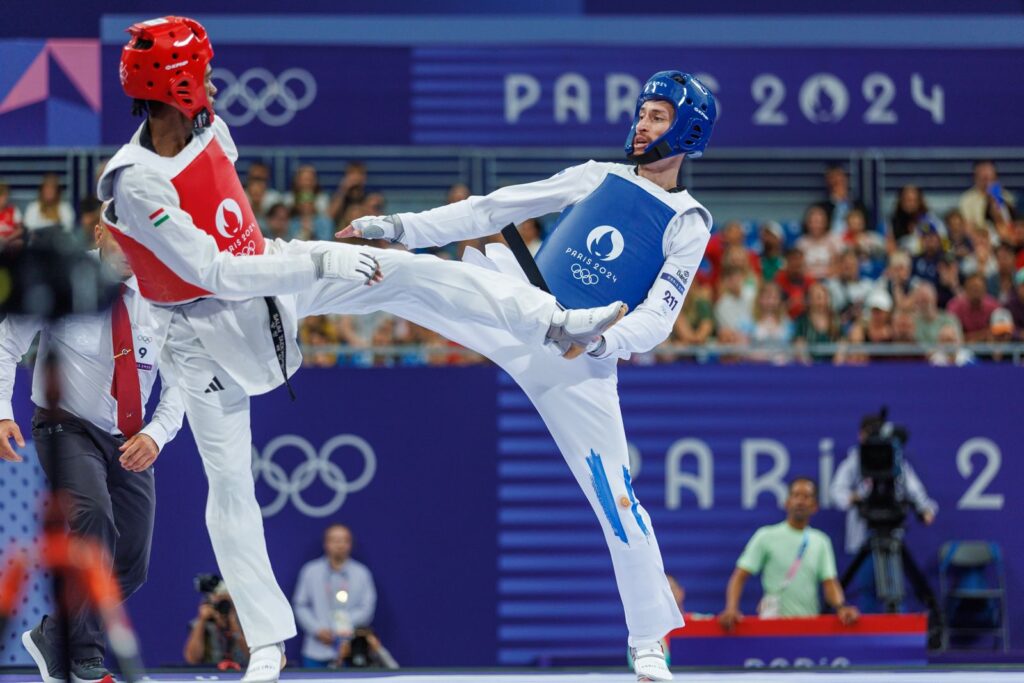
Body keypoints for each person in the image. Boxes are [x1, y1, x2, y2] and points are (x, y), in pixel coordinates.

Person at [100, 17, 621, 683]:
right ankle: (267, 643)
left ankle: (553, 321)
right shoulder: (133, 183)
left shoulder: (211, 125)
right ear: (171, 84)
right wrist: (327, 260)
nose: (208, 82)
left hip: (272, 276)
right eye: (197, 73)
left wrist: (319, 264)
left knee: (408, 272)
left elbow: (244, 248)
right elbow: (216, 274)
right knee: (229, 484)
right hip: (199, 336)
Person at [341, 70, 717, 682]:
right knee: (404, 278)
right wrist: (401, 226)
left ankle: (649, 641)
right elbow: (493, 208)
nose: (641, 124)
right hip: (519, 311)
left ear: (689, 131)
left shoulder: (689, 222)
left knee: (619, 503)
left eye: (656, 116)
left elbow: (658, 318)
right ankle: (291, 291)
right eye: (641, 113)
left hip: (582, 369)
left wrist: (600, 338)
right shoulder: (597, 175)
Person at [0, 217, 185, 683]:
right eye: (121, 237)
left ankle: (53, 635)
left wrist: (156, 434)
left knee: (131, 562)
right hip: (66, 428)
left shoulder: (162, 292)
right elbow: (5, 344)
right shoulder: (64, 275)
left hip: (131, 438)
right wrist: (2, 411)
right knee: (95, 518)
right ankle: (86, 658)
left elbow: (185, 378)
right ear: (100, 233)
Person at [718, 478, 859, 629]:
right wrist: (731, 608)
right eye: (796, 495)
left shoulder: (821, 541)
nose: (800, 501)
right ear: (787, 502)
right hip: (772, 626)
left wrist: (841, 607)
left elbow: (830, 583)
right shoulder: (766, 536)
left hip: (808, 627)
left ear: (815, 506)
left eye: (806, 497)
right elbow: (739, 576)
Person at [829, 416, 937, 612]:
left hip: (892, 533)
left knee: (896, 589)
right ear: (861, 435)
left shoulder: (896, 460)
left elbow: (914, 489)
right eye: (868, 433)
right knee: (867, 588)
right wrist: (855, 497)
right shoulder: (855, 459)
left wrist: (924, 508)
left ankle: (898, 634)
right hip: (865, 534)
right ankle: (868, 635)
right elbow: (837, 491)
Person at [292, 524, 377, 668]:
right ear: (326, 543)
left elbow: (367, 608)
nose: (340, 545)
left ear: (350, 544)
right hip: (315, 650)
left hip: (350, 650)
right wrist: (317, 629)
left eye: (344, 540)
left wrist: (344, 626)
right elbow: (300, 605)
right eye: (335, 540)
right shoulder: (310, 571)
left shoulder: (362, 573)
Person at [183, 578, 249, 669]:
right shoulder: (203, 624)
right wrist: (201, 621)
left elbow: (252, 657)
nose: (223, 606)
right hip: (210, 674)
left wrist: (235, 629)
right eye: (220, 602)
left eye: (227, 602)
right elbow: (192, 659)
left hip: (240, 673)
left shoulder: (245, 624)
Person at [959, 160, 1016, 236]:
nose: (988, 182)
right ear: (975, 178)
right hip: (979, 240)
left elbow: (1010, 223)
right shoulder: (967, 200)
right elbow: (967, 227)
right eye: (984, 179)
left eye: (991, 178)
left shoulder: (1006, 196)